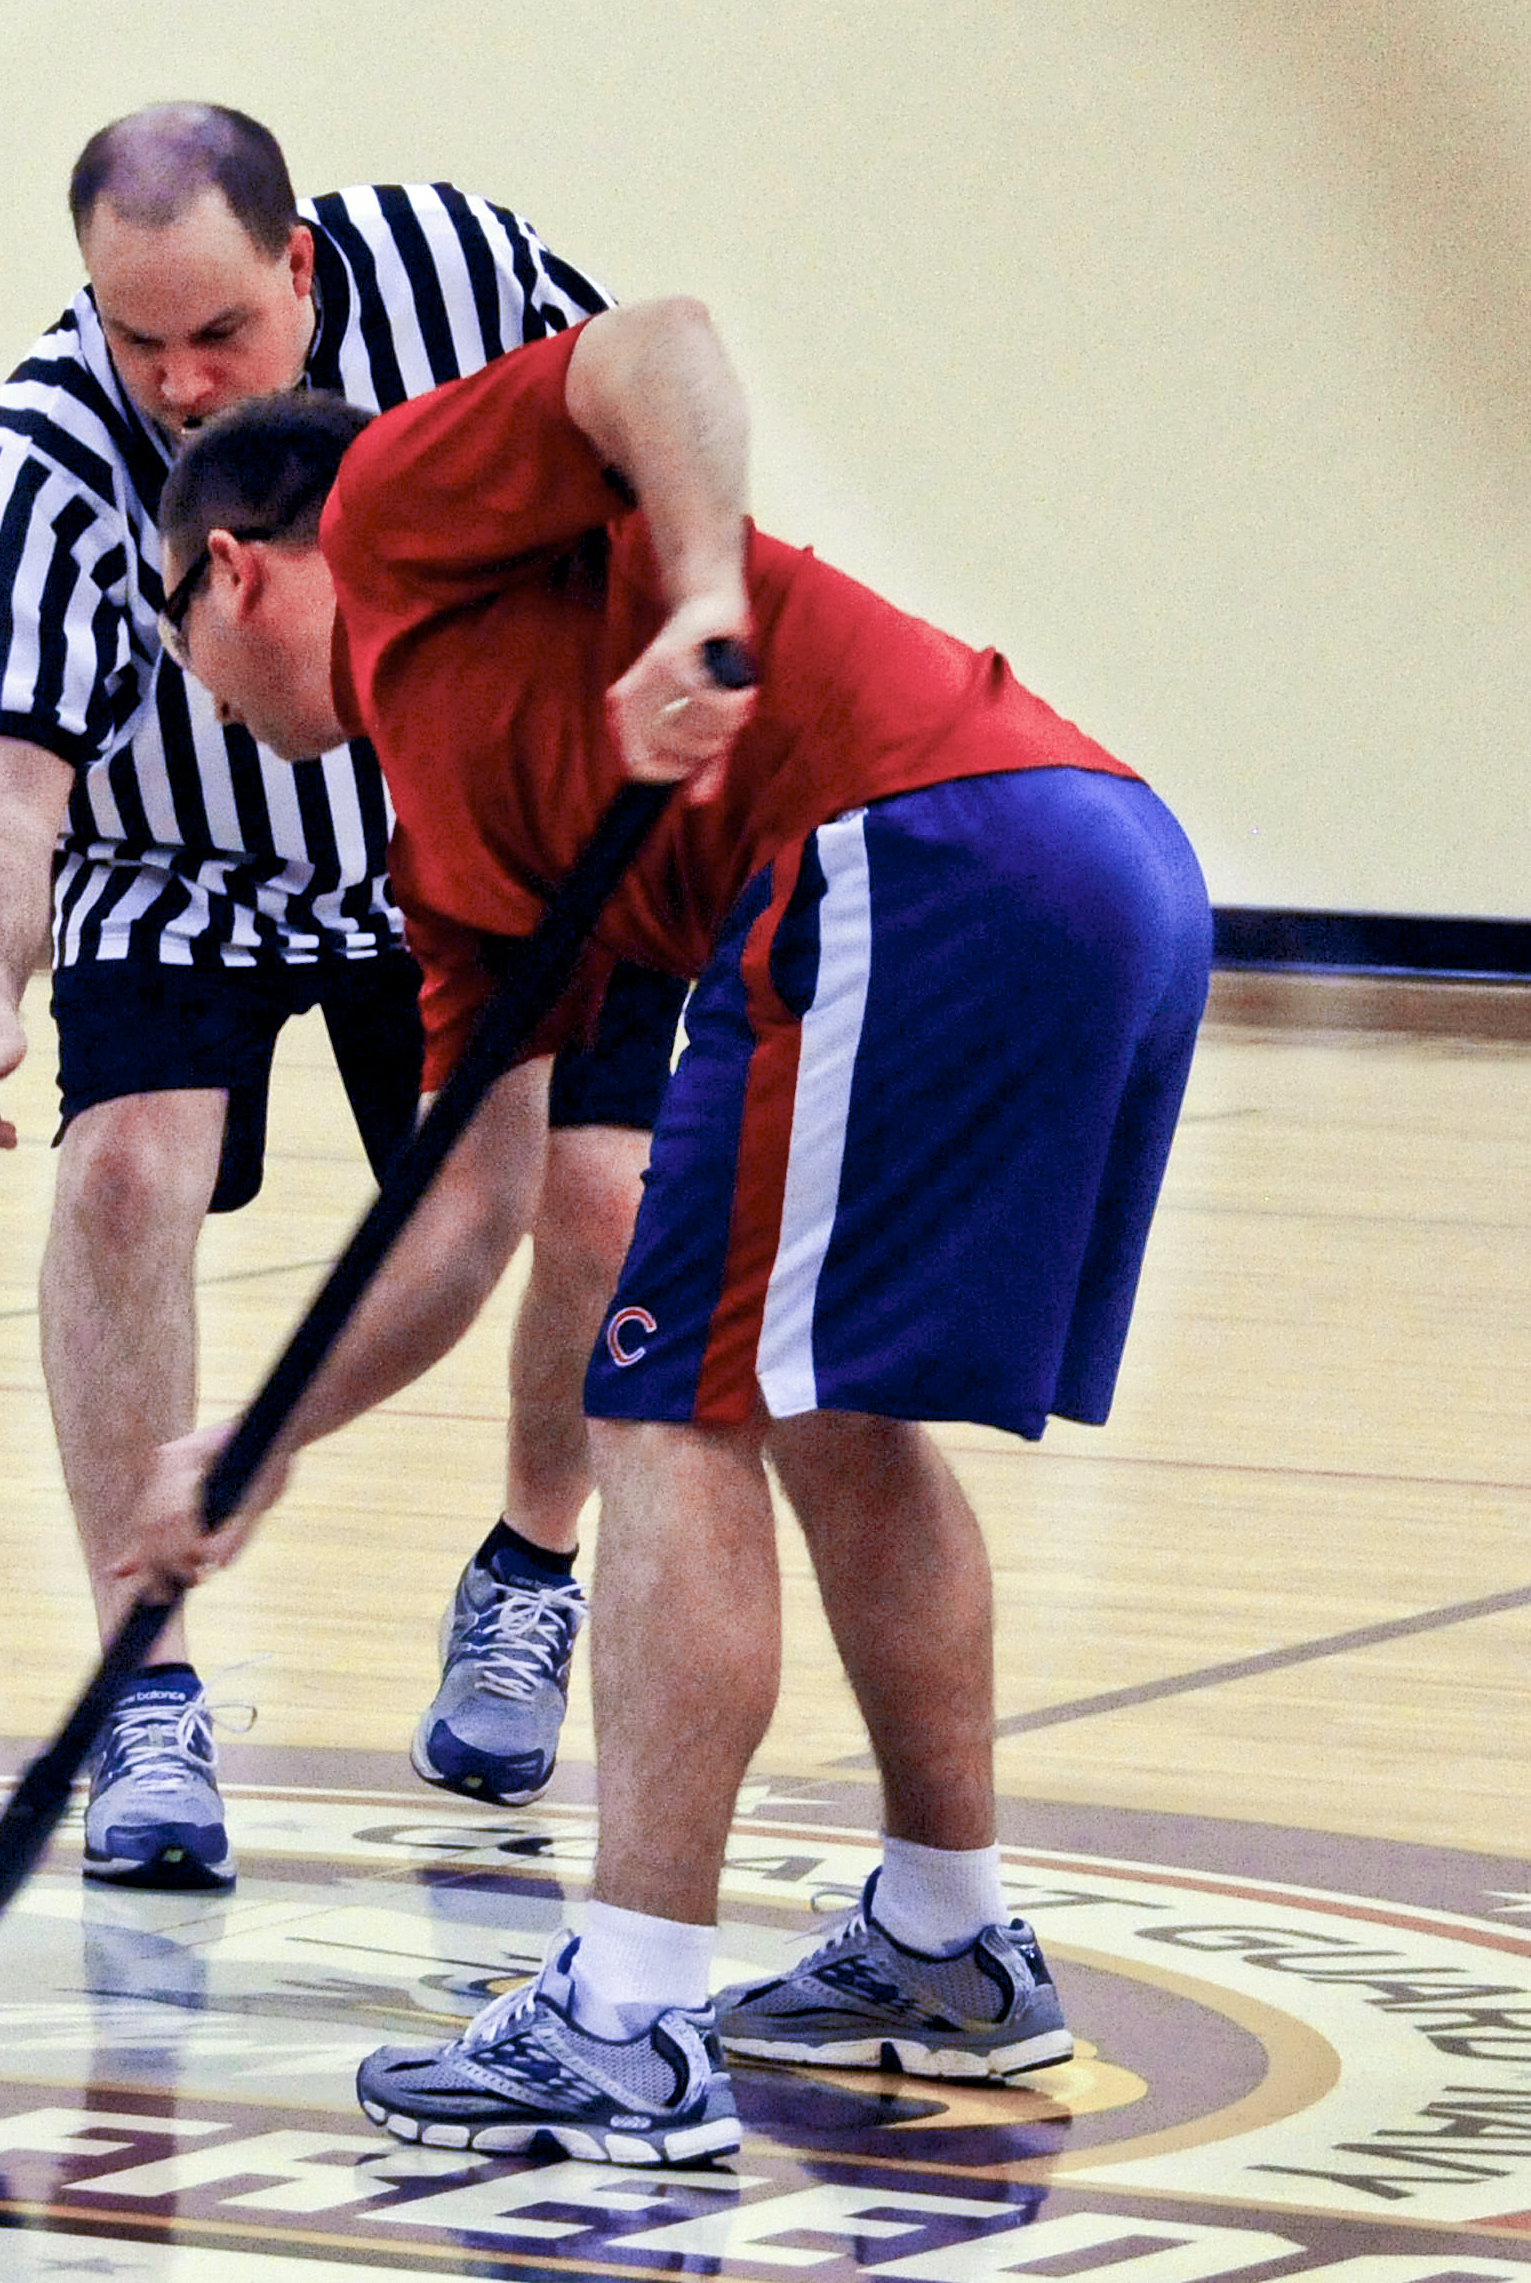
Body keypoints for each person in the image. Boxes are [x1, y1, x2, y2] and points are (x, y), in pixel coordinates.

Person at [132, 298, 1207, 2163]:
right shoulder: (451, 852)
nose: (208, 698)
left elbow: (658, 348)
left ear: (227, 571)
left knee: (662, 1408)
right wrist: (256, 1441)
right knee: (818, 1405)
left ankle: (627, 2016)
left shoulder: (389, 510)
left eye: (183, 642)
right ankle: (948, 1950)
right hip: (1083, 861)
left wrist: (702, 598)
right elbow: (465, 1216)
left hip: (918, 845)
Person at [0, 102, 680, 1889]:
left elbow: (642, 417)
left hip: (477, 821)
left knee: (594, 1194)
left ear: (305, 271)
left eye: (221, 335)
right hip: (192, 857)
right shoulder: (44, 451)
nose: (177, 382)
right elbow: (4, 773)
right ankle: (144, 1684)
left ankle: (527, 1571)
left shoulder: (468, 276)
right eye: (136, 336)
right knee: (118, 1177)